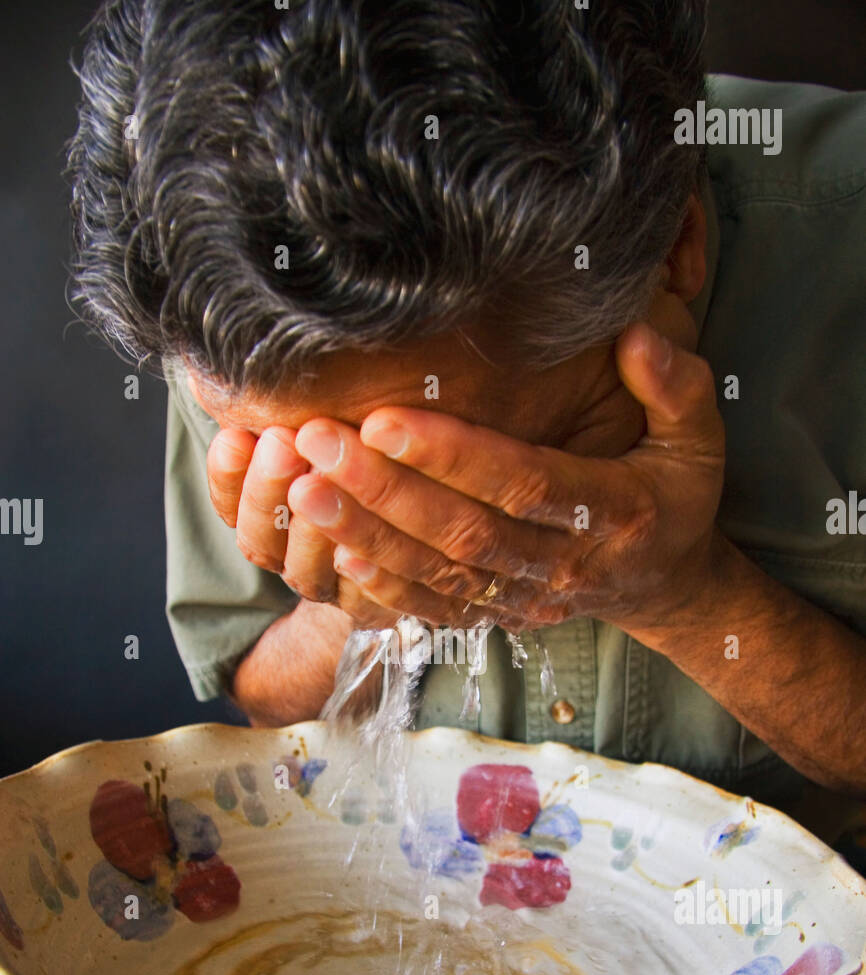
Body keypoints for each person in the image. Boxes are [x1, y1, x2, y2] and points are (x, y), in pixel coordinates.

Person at [68, 0, 866, 839]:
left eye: (478, 472)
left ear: (674, 247)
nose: (435, 523)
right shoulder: (225, 288)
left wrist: (688, 597)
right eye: (326, 464)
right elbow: (263, 696)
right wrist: (358, 588)